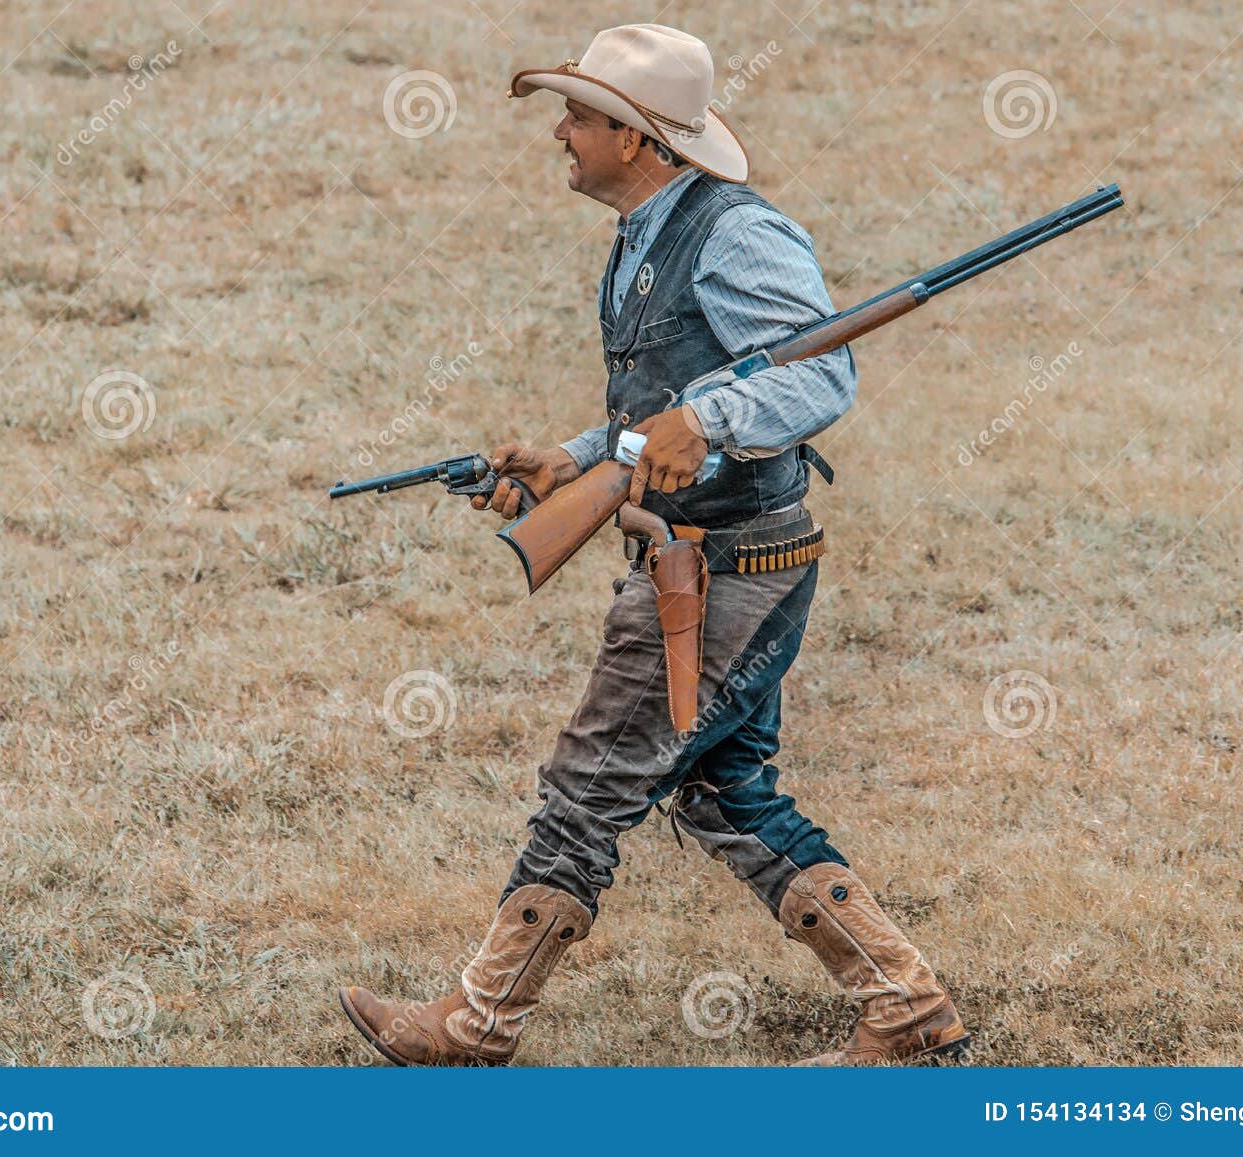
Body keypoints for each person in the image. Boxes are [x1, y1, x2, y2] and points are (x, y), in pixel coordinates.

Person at [338, 23, 970, 1067]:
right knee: (727, 792)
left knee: (588, 781)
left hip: (725, 565)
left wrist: (709, 426)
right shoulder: (642, 229)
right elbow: (669, 406)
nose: (560, 132)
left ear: (637, 139)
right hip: (705, 553)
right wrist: (572, 459)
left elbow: (820, 379)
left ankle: (474, 1024)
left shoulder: (734, 233)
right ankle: (905, 1003)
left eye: (579, 116)